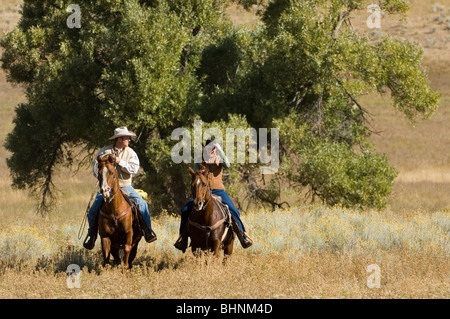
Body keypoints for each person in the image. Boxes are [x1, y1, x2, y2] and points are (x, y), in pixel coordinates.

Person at [83, 126, 157, 250]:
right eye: (127, 138)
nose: (129, 140)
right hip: (107, 188)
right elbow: (95, 167)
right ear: (119, 139)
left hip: (126, 186)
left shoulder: (131, 153)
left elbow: (134, 169)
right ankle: (92, 233)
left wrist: (120, 162)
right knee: (93, 209)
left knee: (142, 204)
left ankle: (147, 231)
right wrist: (102, 179)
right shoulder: (104, 152)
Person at [174, 137, 253, 252]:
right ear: (205, 148)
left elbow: (228, 165)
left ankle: (243, 236)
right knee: (185, 210)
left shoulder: (219, 157)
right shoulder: (199, 159)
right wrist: (199, 171)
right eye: (210, 147)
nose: (212, 150)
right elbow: (196, 174)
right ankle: (183, 238)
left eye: (214, 148)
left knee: (233, 210)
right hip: (202, 192)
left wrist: (220, 149)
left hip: (218, 190)